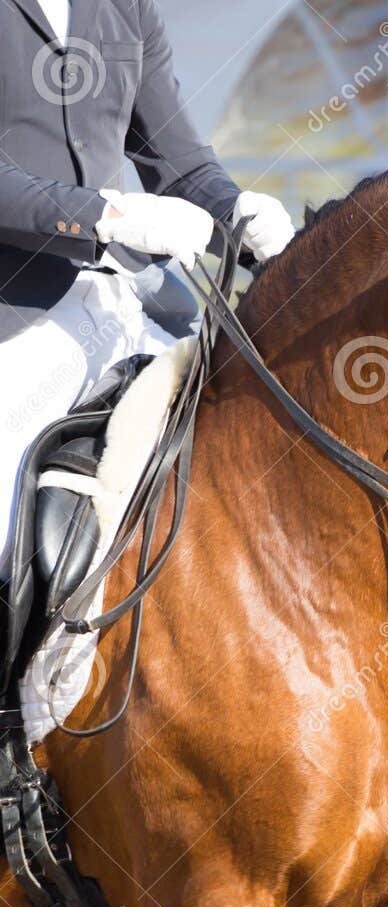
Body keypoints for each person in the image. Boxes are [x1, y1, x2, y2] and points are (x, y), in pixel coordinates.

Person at [0, 0, 296, 549]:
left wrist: (236, 215)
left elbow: (178, 162)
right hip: (15, 308)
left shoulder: (125, 7)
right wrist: (106, 215)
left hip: (130, 295)